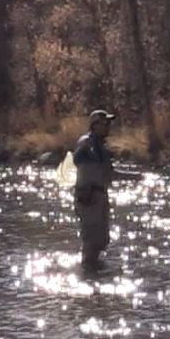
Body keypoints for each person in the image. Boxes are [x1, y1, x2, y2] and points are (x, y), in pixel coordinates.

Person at [72, 109, 128, 269]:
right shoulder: (87, 142)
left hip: (100, 195)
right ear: (94, 125)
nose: (108, 126)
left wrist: (135, 176)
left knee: (102, 240)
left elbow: (110, 173)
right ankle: (88, 274)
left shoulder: (101, 147)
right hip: (89, 197)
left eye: (109, 123)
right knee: (91, 240)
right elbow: (78, 159)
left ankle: (94, 270)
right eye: (105, 123)